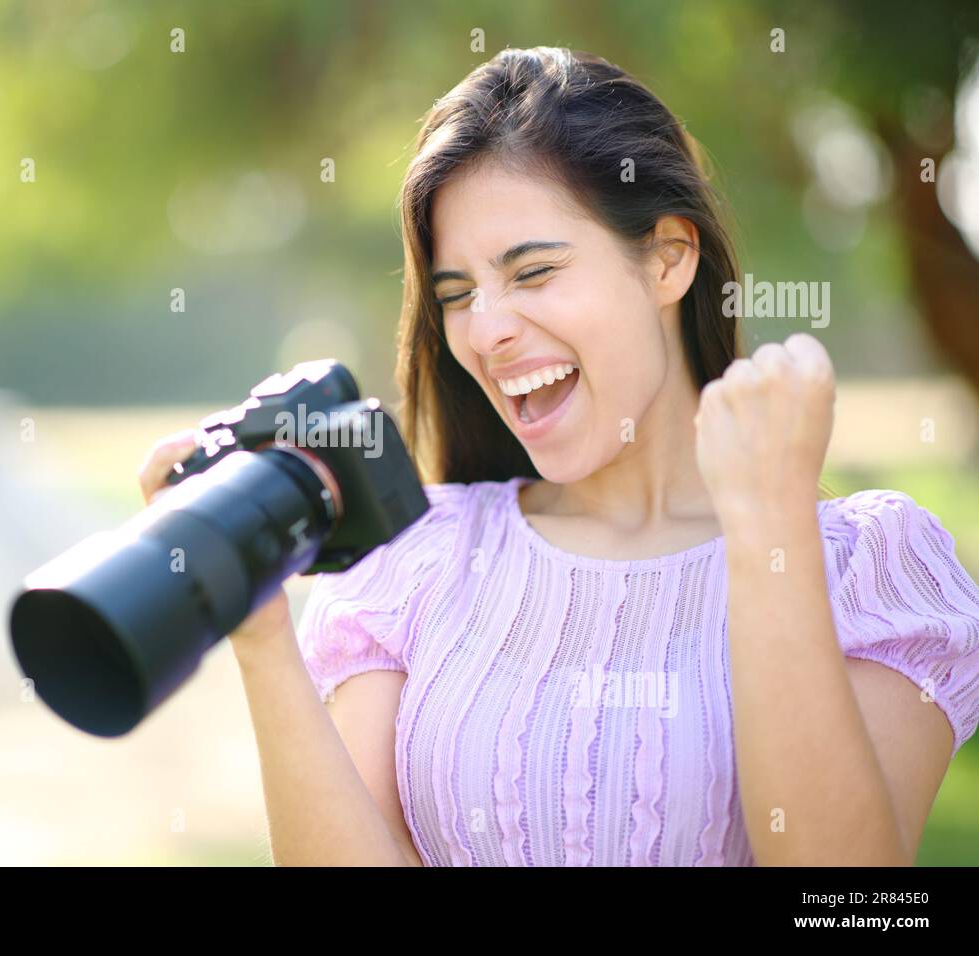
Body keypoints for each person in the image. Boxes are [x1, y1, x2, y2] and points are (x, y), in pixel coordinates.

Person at [138, 47, 979, 866]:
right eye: (456, 294)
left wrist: (769, 527)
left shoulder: (865, 566)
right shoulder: (418, 557)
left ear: (668, 259)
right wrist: (258, 633)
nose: (484, 329)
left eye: (533, 272)